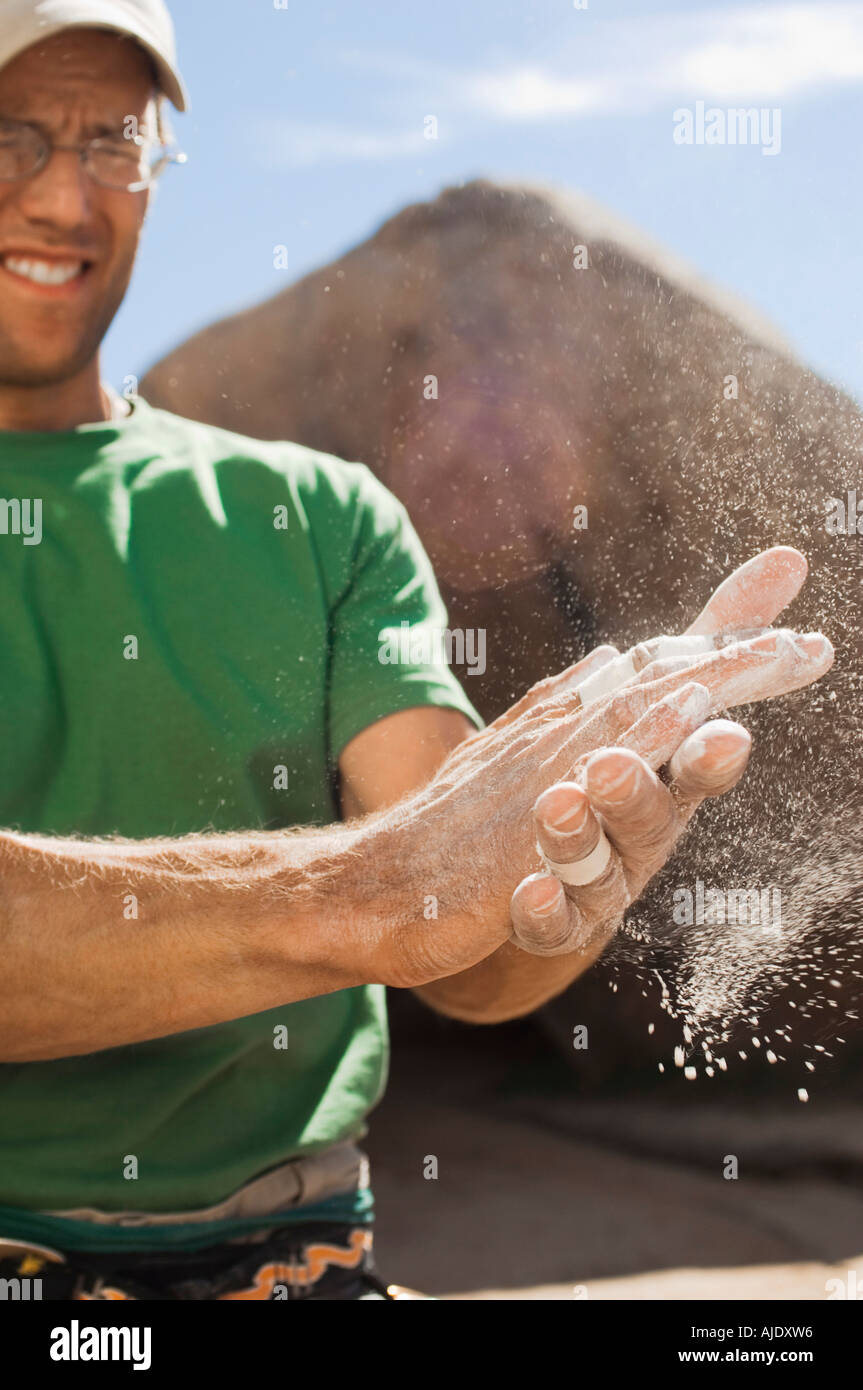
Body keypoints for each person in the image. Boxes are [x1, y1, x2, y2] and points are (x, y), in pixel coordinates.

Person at [0, 0, 833, 1300]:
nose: (62, 195)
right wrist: (372, 891)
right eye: (12, 137)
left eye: (112, 141)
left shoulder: (319, 518)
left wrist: (584, 836)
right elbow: (401, 884)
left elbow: (468, 942)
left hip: (301, 1259)